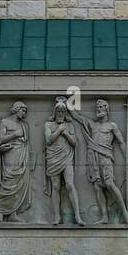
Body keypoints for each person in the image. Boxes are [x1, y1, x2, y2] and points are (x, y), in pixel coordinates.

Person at [74, 98, 128, 225]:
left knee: (110, 183)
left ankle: (125, 214)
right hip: (93, 157)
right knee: (97, 187)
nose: (98, 109)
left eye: (101, 107)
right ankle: (104, 216)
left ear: (107, 109)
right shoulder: (92, 124)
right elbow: (76, 116)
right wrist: (66, 102)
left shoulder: (112, 125)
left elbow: (121, 143)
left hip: (106, 157)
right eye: (97, 108)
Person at [44, 97, 84, 226]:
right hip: (53, 158)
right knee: (55, 186)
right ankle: (57, 216)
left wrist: (65, 132)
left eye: (63, 111)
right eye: (59, 111)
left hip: (66, 156)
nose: (61, 113)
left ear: (65, 113)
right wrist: (59, 130)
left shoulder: (70, 125)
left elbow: (74, 142)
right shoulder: (48, 125)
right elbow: (48, 140)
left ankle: (77, 216)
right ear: (55, 112)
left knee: (70, 185)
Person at [0, 101, 31, 221]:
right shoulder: (5, 122)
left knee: (18, 184)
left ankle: (13, 213)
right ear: (16, 109)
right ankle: (0, 212)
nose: (24, 114)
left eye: (25, 111)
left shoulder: (24, 125)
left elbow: (26, 141)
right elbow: (0, 140)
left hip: (21, 155)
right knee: (7, 182)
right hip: (10, 154)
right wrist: (14, 134)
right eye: (23, 110)